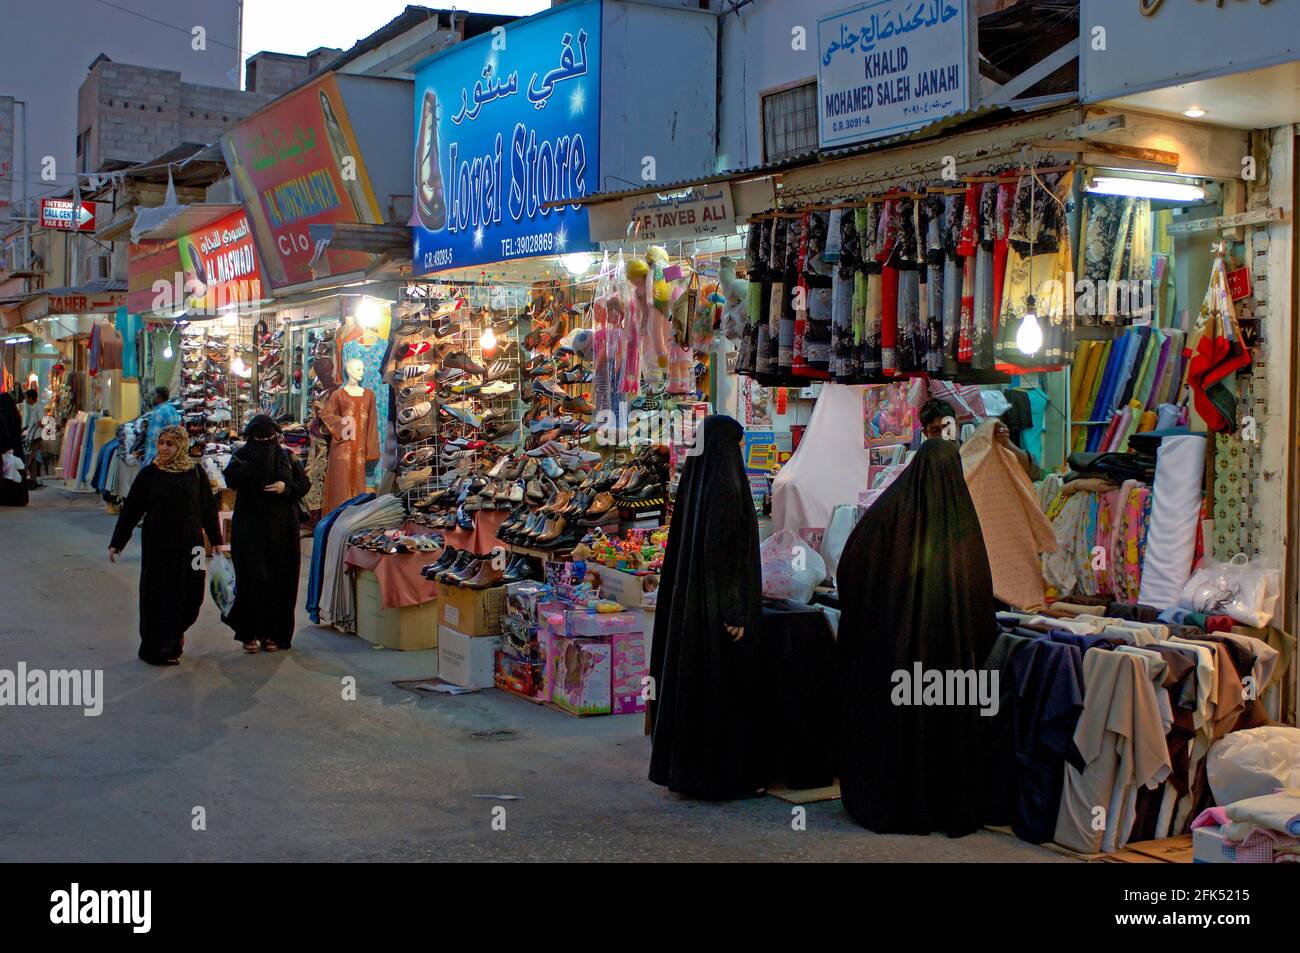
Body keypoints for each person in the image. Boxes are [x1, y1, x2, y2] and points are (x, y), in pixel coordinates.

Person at [835, 438, 997, 836]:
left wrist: (878, 614)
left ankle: (895, 802)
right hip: (949, 665)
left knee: (896, 728)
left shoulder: (890, 513)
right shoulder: (962, 522)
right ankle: (941, 805)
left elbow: (850, 565)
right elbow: (980, 597)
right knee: (942, 724)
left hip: (894, 656)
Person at [649, 415, 764, 799]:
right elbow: (727, 554)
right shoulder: (728, 486)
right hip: (718, 614)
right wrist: (735, 611)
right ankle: (717, 777)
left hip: (692, 609)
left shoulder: (694, 483)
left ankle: (686, 771)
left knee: (691, 688)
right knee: (719, 693)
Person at [109, 425, 222, 665]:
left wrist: (217, 540)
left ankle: (176, 634)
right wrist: (118, 542)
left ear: (181, 445)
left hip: (194, 547)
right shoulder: (150, 474)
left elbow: (208, 509)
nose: (164, 448)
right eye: (161, 443)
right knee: (159, 593)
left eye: (170, 444)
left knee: (193, 591)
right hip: (158, 545)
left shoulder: (195, 473)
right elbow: (132, 510)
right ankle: (158, 647)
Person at [221, 415, 311, 653]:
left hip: (282, 530)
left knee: (280, 580)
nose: (263, 444)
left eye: (267, 438)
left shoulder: (286, 456)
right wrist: (252, 468)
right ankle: (249, 633)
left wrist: (285, 488)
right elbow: (230, 479)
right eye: (259, 438)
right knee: (252, 580)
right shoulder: (241, 456)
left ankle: (275, 634)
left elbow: (304, 484)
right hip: (249, 529)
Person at [0, 392, 30, 507]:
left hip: (7, 449)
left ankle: (7, 498)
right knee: (17, 471)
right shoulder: (16, 415)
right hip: (16, 449)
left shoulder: (3, 416)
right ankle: (19, 497)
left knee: (7, 473)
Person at [142, 386, 181, 464]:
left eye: (154, 396)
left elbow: (154, 436)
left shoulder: (159, 412)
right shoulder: (172, 409)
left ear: (158, 396)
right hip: (170, 452)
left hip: (156, 455)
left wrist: (145, 431)